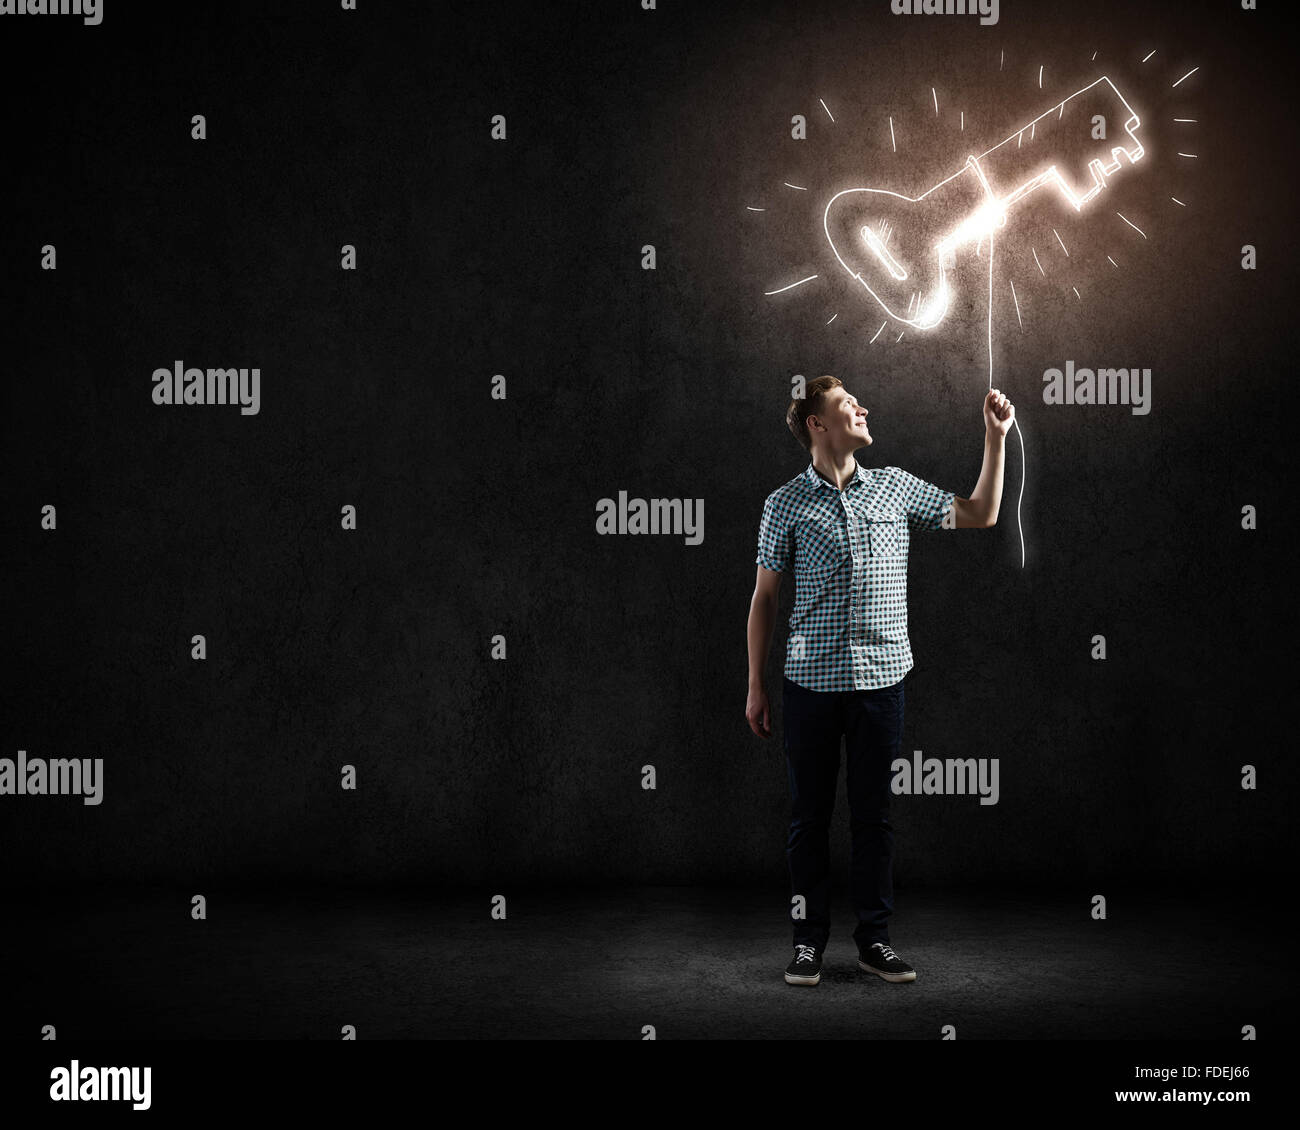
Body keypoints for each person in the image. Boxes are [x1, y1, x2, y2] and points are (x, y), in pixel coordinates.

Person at [745, 375, 1014, 986]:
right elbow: (764, 599)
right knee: (808, 819)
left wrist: (995, 439)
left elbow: (981, 513)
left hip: (882, 683)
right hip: (809, 684)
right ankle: (807, 942)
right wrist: (756, 685)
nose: (862, 408)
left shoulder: (894, 488)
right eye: (847, 405)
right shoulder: (783, 504)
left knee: (874, 817)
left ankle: (875, 941)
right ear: (817, 424)